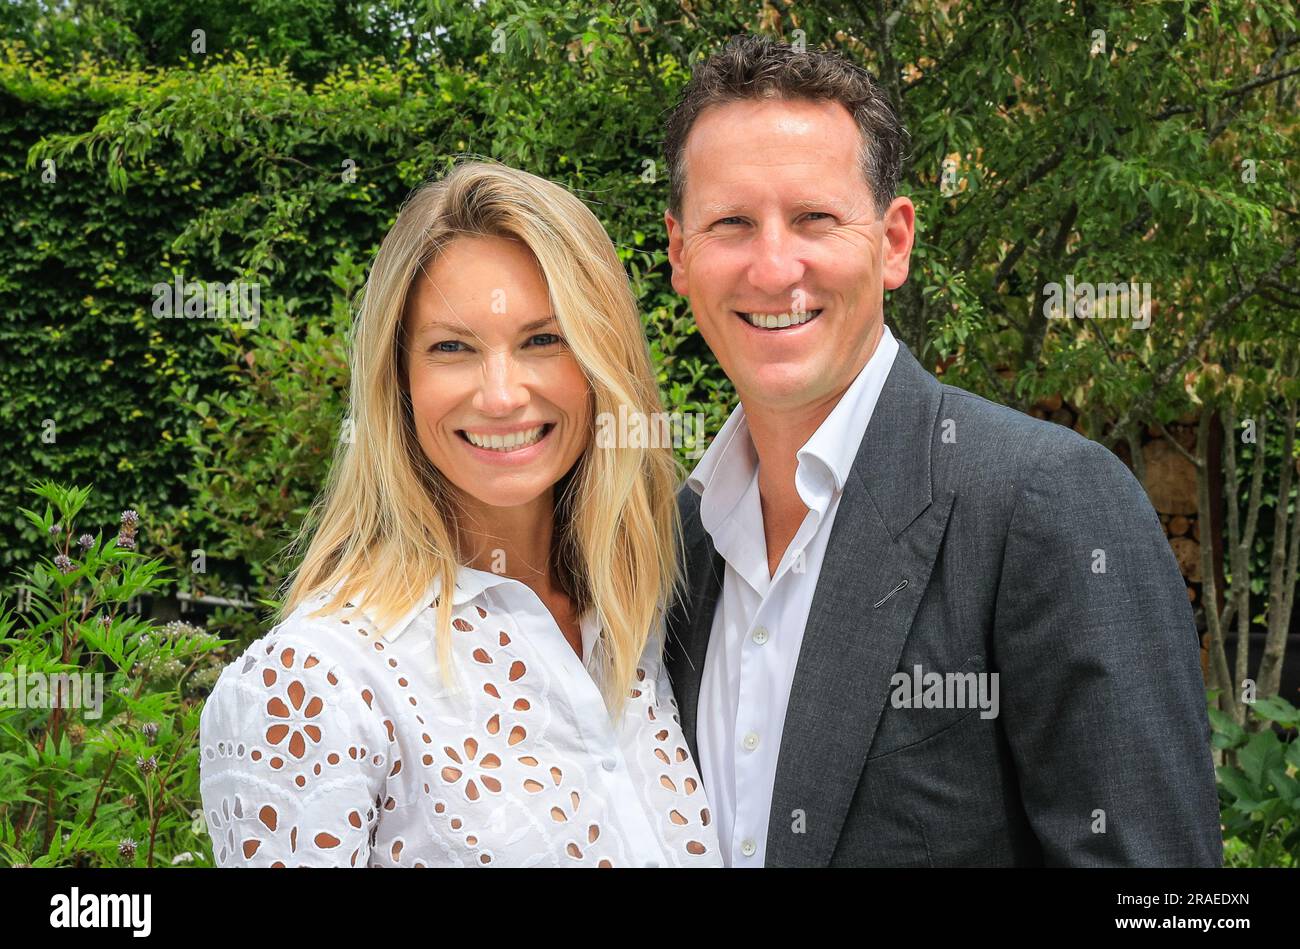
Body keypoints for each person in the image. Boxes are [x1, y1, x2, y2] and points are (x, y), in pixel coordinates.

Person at [660, 34, 1222, 866]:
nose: (775, 267)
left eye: (814, 217)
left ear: (893, 242)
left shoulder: (1048, 502)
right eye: (732, 223)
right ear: (678, 252)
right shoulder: (677, 543)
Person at [199, 159, 721, 867]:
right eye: (453, 348)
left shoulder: (645, 619)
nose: (502, 395)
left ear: (602, 362)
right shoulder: (317, 680)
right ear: (401, 381)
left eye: (543, 339)